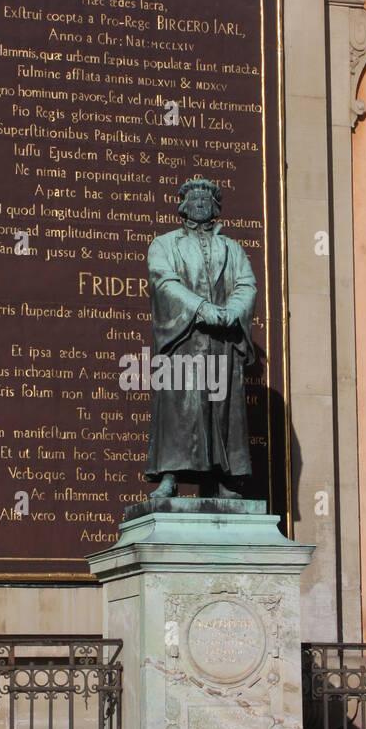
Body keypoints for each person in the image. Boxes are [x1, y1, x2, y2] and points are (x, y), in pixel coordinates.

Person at [145, 176, 257, 498]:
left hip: (221, 340)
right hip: (184, 339)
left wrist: (231, 312)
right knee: (178, 409)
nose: (199, 204)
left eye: (205, 200)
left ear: (215, 208)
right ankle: (169, 477)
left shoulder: (232, 249)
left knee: (221, 409)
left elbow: (246, 285)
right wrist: (201, 309)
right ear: (182, 207)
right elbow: (164, 282)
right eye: (193, 199)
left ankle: (224, 478)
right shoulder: (164, 244)